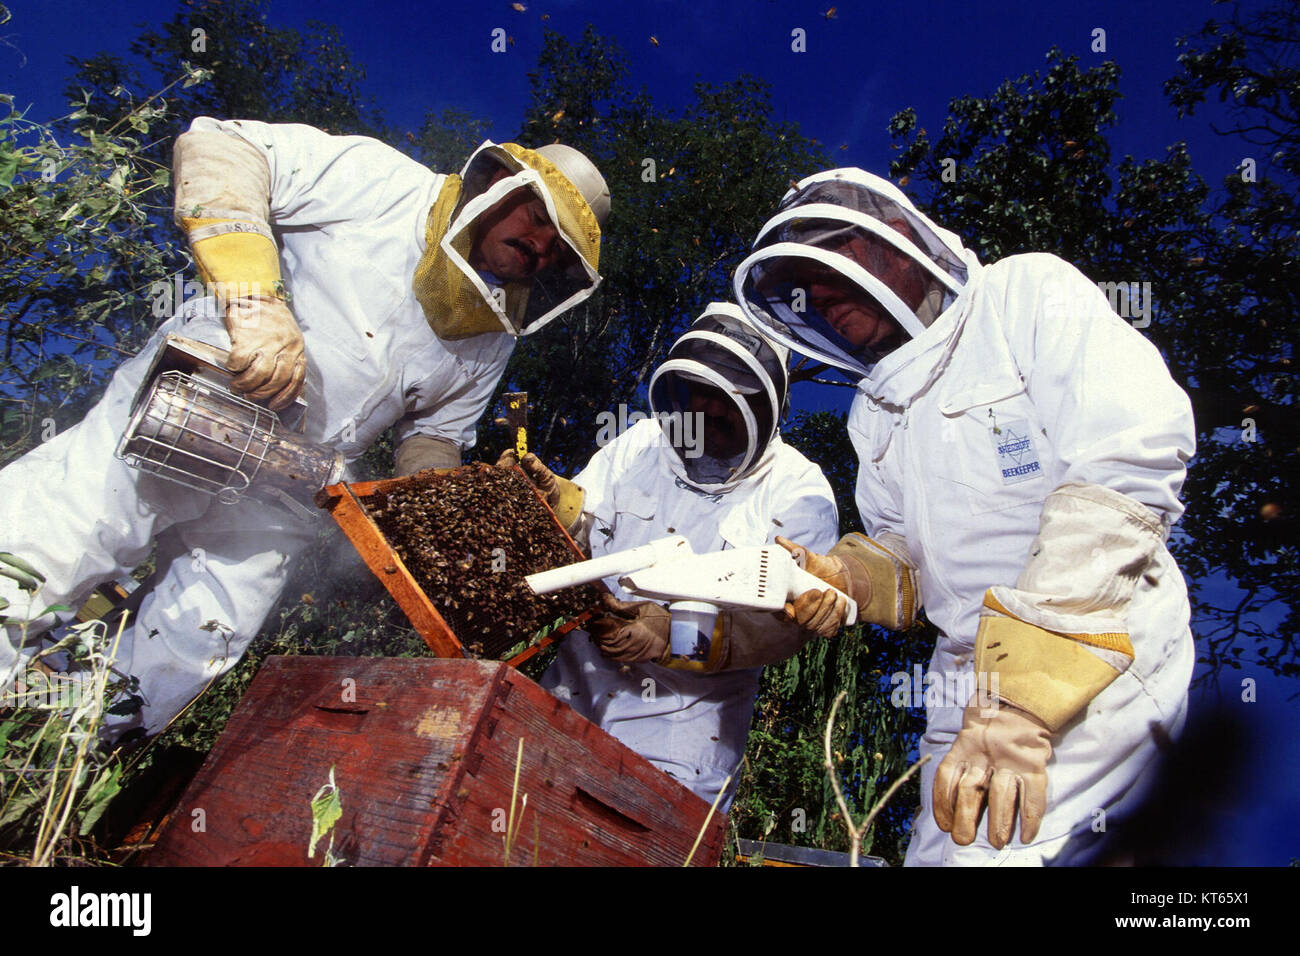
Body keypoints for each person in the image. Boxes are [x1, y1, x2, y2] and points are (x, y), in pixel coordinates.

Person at [0, 117, 609, 739]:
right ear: (497, 183)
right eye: (538, 220)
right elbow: (222, 143)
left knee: (200, 639)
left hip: (296, 476)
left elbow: (433, 438)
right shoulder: (383, 181)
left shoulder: (492, 340)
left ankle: (51, 761)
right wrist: (254, 301)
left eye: (557, 251)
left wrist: (445, 514)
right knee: (67, 537)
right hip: (205, 401)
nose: (540, 247)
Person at [730, 168, 1196, 865]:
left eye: (830, 265)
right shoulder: (876, 410)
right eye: (803, 286)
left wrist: (1028, 696)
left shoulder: (1025, 296)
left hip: (1092, 660)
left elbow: (1128, 462)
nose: (819, 297)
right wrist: (841, 575)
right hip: (963, 686)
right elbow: (906, 561)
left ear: (895, 240)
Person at [500, 303, 840, 809]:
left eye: (729, 397)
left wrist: (667, 635)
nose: (710, 409)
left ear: (769, 406)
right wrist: (554, 500)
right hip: (570, 695)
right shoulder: (641, 442)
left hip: (683, 739)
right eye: (700, 391)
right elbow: (584, 528)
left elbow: (783, 629)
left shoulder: (800, 493)